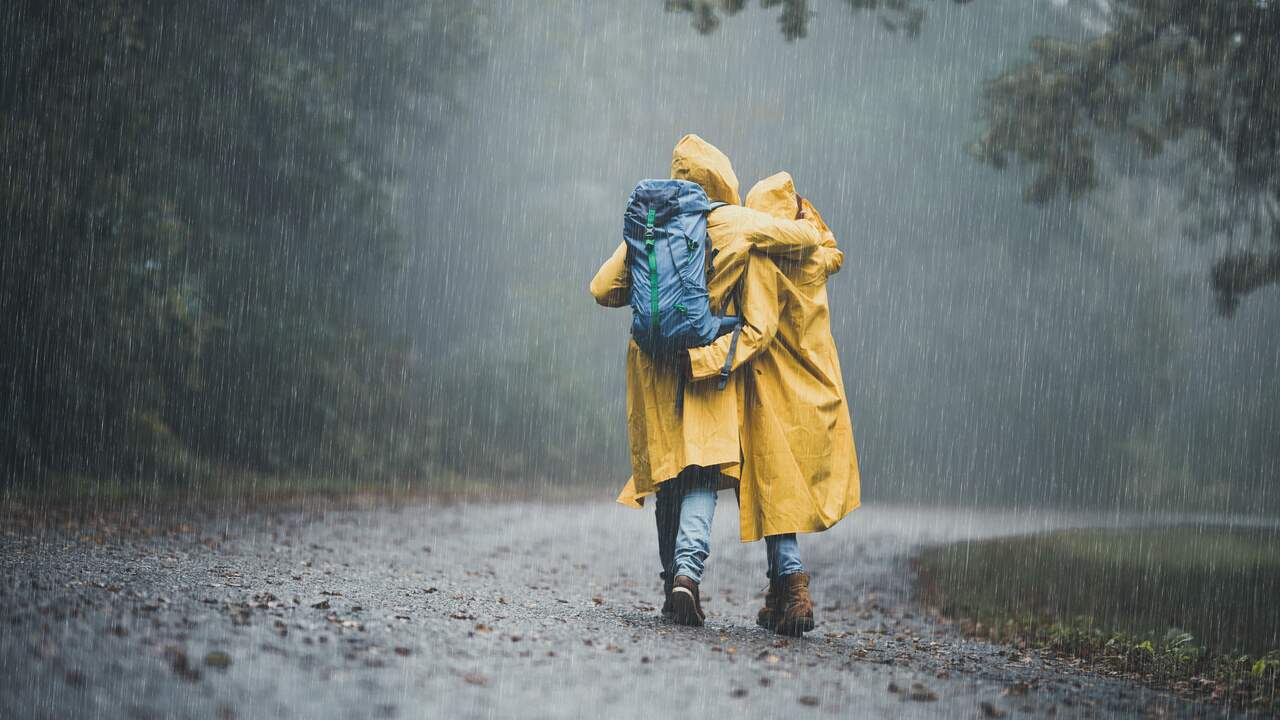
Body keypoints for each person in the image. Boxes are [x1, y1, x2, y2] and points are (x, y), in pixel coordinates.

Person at [590, 135, 823, 626]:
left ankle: (670, 578)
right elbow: (803, 242)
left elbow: (602, 289)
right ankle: (688, 576)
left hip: (653, 370)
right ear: (722, 179)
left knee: (668, 477)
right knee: (701, 473)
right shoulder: (734, 221)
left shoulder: (651, 226)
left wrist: (654, 306)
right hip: (707, 368)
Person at [686, 171, 860, 636]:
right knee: (783, 491)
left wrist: (704, 361)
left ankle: (791, 586)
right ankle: (780, 595)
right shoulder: (814, 259)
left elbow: (757, 332)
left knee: (777, 490)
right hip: (818, 384)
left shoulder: (765, 261)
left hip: (774, 387)